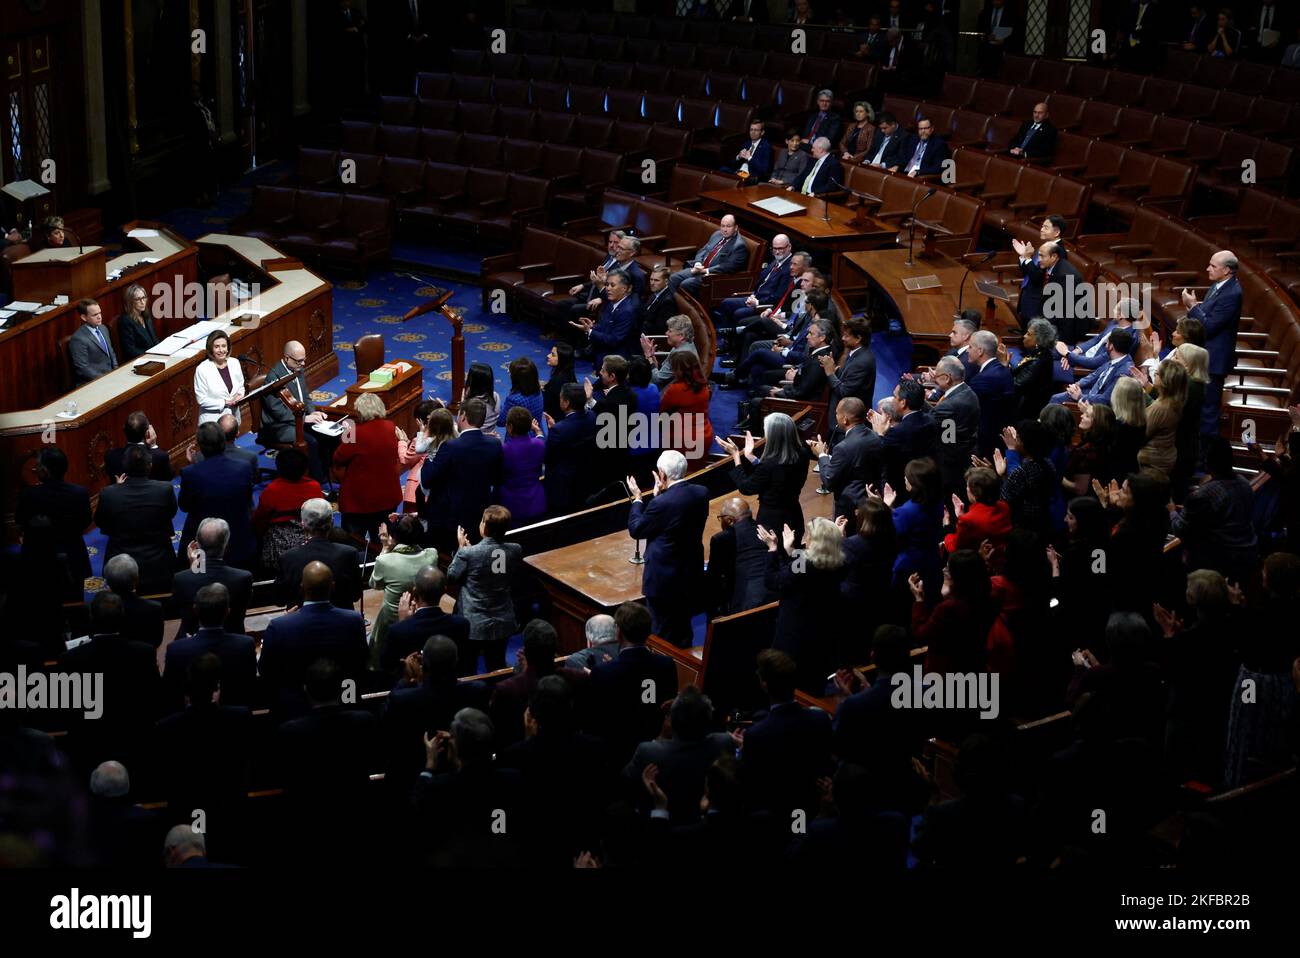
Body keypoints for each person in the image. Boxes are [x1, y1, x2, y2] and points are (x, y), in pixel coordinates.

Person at [626, 451, 711, 647]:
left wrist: (638, 499)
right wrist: (661, 496)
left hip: (664, 580)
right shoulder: (701, 492)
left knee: (662, 633)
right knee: (683, 626)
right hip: (690, 573)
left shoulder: (661, 503)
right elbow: (675, 516)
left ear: (661, 475)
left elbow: (637, 529)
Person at [259, 562, 369, 707]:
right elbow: (362, 661)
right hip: (345, 697)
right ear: (332, 586)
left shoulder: (280, 626)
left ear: (302, 587)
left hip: (297, 704)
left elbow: (265, 670)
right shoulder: (354, 621)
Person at [585, 601, 680, 763]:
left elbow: (594, 720)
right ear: (649, 631)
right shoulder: (667, 665)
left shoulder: (602, 672)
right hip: (656, 748)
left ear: (618, 634)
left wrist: (602, 671)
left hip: (615, 753)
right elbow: (667, 706)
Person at [761, 516, 845, 692]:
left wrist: (772, 549)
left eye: (808, 535)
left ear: (816, 542)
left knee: (789, 685)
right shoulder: (838, 563)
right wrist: (789, 550)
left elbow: (774, 581)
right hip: (820, 636)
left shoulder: (804, 565)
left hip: (795, 638)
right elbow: (792, 575)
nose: (805, 538)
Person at [447, 506, 524, 673]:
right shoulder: (515, 550)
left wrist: (462, 549)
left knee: (468, 668)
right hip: (502, 619)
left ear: (485, 527)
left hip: (473, 623)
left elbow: (452, 577)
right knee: (496, 666)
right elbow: (492, 561)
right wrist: (469, 551)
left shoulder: (468, 554)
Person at [418, 396, 502, 549]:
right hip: (480, 514)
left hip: (449, 519)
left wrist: (429, 456)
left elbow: (427, 479)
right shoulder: (495, 444)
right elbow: (497, 479)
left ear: (462, 416)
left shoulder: (450, 447)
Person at [720, 412, 813, 548]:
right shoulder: (803, 455)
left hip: (772, 521)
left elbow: (746, 487)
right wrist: (752, 458)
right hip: (794, 515)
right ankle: (798, 569)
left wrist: (736, 456)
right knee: (795, 557)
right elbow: (777, 476)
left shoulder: (770, 464)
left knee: (773, 558)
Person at [1171, 437, 1258, 581]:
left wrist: (1171, 510)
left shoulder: (1202, 495)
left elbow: (1179, 529)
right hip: (1249, 553)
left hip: (1220, 562)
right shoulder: (1244, 483)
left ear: (1207, 463)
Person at [94, 445, 177, 593]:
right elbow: (171, 513)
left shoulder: (109, 494)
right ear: (150, 466)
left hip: (120, 565)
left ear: (124, 467)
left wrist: (117, 490)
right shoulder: (165, 490)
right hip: (158, 562)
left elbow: (101, 523)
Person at [162, 583, 257, 711]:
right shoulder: (246, 645)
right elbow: (250, 686)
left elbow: (170, 694)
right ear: (227, 612)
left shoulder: (176, 650)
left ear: (195, 610)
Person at [16, 446, 92, 600]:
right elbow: (85, 522)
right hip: (73, 557)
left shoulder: (28, 496)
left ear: (45, 471)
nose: (35, 469)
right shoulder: (80, 493)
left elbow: (21, 521)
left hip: (39, 561)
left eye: (37, 466)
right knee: (75, 602)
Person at [1180, 251, 1241, 444]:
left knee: (1208, 414)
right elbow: (1204, 317)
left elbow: (1209, 327)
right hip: (1204, 358)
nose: (1208, 268)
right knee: (1198, 411)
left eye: (1213, 266)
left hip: (1214, 362)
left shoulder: (1233, 293)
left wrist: (1193, 307)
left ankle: (1208, 465)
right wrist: (1194, 309)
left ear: (1227, 270)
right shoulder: (1217, 285)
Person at [178, 421, 257, 569]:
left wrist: (193, 464)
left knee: (199, 577)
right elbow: (247, 500)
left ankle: (198, 574)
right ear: (223, 442)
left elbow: (184, 506)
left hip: (202, 542)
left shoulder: (190, 473)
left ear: (200, 446)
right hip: (238, 539)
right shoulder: (244, 468)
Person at [369, 513, 439, 669]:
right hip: (421, 615)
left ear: (394, 537)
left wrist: (386, 548)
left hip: (392, 618)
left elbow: (374, 584)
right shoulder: (431, 555)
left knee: (384, 661)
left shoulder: (385, 560)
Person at [333, 392, 401, 545]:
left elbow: (338, 457)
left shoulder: (354, 431)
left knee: (354, 542)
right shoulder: (390, 426)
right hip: (387, 497)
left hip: (360, 501)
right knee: (383, 542)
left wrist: (345, 434)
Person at [258, 340, 331, 480]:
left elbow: (305, 395)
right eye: (299, 361)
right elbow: (277, 411)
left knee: (325, 434)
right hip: (279, 425)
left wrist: (312, 412)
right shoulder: (273, 378)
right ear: (286, 358)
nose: (303, 364)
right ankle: (316, 481)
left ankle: (328, 474)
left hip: (297, 418)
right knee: (311, 442)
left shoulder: (297, 369)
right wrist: (303, 419)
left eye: (304, 360)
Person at [381, 565, 471, 674]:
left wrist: (403, 623)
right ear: (444, 591)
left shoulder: (398, 630)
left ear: (415, 591)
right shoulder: (461, 624)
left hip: (414, 687)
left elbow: (387, 665)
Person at [173, 517, 254, 636]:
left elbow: (183, 608)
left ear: (198, 546)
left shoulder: (181, 579)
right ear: (226, 546)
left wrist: (194, 568)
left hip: (191, 644)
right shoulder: (244, 578)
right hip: (235, 644)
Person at [276, 497, 362, 609]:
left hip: (299, 624)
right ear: (331, 523)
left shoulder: (287, 558)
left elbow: (279, 600)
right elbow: (355, 595)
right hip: (342, 622)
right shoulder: (349, 553)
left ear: (303, 525)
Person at [809, 397, 883, 520]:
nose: (835, 415)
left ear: (845, 420)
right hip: (873, 501)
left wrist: (822, 455)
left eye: (837, 413)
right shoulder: (875, 436)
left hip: (850, 508)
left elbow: (829, 481)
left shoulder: (843, 447)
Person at [888, 457, 946, 601]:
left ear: (916, 485)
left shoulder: (906, 511)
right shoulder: (937, 503)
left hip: (908, 566)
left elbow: (891, 535)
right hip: (931, 562)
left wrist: (886, 508)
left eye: (907, 478)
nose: (905, 479)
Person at [705, 497, 773, 617]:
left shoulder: (721, 539)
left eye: (721, 518)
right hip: (774, 592)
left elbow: (713, 578)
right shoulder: (765, 528)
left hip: (746, 604)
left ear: (730, 520)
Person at [713, 235, 794, 332]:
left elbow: (778, 296)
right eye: (774, 248)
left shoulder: (789, 268)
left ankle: (733, 339)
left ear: (789, 247)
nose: (776, 252)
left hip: (764, 304)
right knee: (726, 303)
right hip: (755, 298)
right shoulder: (776, 261)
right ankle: (726, 336)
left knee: (739, 313)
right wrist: (753, 295)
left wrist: (757, 302)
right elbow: (760, 282)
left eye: (780, 248)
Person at [873, 379, 938, 500]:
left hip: (902, 492)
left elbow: (880, 456)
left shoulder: (897, 433)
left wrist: (880, 434)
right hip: (930, 485)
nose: (892, 400)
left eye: (895, 396)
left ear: (903, 403)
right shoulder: (932, 421)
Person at [930, 356, 981, 499]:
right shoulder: (967, 391)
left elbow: (933, 425)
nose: (934, 379)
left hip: (951, 464)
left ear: (947, 378)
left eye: (937, 375)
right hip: (963, 454)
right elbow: (949, 433)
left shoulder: (950, 405)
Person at [543, 383, 597, 516]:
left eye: (561, 398)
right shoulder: (593, 416)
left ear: (566, 403)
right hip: (586, 476)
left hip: (562, 485)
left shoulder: (558, 430)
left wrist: (545, 433)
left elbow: (547, 457)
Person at [250, 447, 321, 548]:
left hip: (280, 545)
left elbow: (259, 521)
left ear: (278, 468)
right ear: (305, 469)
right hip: (311, 541)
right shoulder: (315, 487)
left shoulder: (272, 490)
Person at [571, 269, 640, 371]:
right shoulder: (612, 303)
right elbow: (605, 327)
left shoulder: (627, 311)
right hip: (602, 355)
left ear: (624, 288)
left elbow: (614, 340)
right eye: (607, 285)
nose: (607, 288)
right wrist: (592, 327)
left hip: (616, 362)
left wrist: (589, 331)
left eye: (612, 285)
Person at [658, 350, 714, 469]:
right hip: (704, 436)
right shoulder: (704, 385)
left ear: (681, 370)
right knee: (697, 473)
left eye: (674, 368)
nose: (672, 371)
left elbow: (662, 414)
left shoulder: (676, 390)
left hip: (683, 441)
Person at [1050, 328, 1135, 406]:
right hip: (1090, 391)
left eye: (1107, 342)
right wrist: (1078, 384)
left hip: (1095, 405)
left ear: (1111, 346)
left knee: (1056, 399)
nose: (1105, 344)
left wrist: (1080, 396)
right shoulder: (1116, 357)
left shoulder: (1123, 372)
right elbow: (1095, 375)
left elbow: (1106, 399)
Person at [667, 215, 748, 296]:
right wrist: (698, 263)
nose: (724, 230)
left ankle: (679, 306)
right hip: (699, 269)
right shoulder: (717, 234)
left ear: (736, 227)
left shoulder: (739, 246)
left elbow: (728, 267)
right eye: (722, 226)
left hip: (711, 276)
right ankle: (670, 306)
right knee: (674, 278)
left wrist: (706, 270)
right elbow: (703, 250)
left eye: (728, 226)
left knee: (685, 284)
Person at [965, 330, 1014, 456]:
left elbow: (966, 409)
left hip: (984, 444)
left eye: (970, 347)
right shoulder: (1004, 369)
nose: (967, 351)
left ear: (980, 351)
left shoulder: (982, 379)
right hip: (999, 439)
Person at [1136, 359, 1186, 479]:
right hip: (1163, 458)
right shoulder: (1172, 400)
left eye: (1157, 374)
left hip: (1152, 464)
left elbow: (1140, 435)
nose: (1154, 375)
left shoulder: (1162, 408)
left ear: (1166, 381)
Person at [944, 466, 1012, 554]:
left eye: (967, 486)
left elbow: (956, 548)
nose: (966, 489)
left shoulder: (968, 520)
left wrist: (947, 526)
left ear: (975, 494)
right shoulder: (1004, 507)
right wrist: (962, 516)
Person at [398, 401, 451, 510]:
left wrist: (402, 442)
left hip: (417, 493)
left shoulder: (420, 441)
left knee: (412, 525)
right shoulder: (448, 435)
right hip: (441, 490)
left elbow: (405, 460)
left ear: (419, 421)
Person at [499, 406, 546, 526]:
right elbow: (540, 439)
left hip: (513, 507)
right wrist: (538, 431)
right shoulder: (539, 444)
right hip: (537, 502)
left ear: (509, 428)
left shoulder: (504, 450)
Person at [821, 316, 876, 413]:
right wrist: (833, 369)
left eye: (846, 336)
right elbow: (846, 377)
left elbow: (843, 391)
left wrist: (830, 372)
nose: (842, 338)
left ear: (858, 338)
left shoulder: (861, 362)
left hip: (849, 417)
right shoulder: (856, 353)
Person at [1008, 318, 1058, 420]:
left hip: (1026, 410)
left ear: (1038, 341)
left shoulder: (1037, 361)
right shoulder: (1041, 353)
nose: (1024, 336)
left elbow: (1016, 385)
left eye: (1029, 334)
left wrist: (1004, 365)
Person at [193, 329, 244, 426]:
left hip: (233, 419)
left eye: (224, 346)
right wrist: (225, 402)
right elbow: (201, 399)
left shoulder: (235, 363)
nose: (221, 350)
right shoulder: (202, 369)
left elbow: (241, 386)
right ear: (210, 349)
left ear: (228, 347)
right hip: (212, 424)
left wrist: (239, 396)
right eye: (217, 347)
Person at [104, 411, 172, 481]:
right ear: (147, 433)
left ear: (124, 431)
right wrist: (153, 446)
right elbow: (169, 480)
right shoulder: (160, 457)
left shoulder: (110, 456)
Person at [643, 315, 699, 391]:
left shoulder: (679, 355)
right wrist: (653, 357)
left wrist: (648, 357)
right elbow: (663, 371)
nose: (666, 333)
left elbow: (658, 380)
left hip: (669, 394)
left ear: (681, 336)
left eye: (670, 331)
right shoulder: (686, 344)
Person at [68, 298, 118, 385]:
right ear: (84, 317)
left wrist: (116, 371)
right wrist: (104, 379)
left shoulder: (103, 328)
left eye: (100, 313)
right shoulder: (78, 339)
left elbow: (111, 353)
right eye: (95, 315)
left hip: (111, 377)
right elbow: (83, 368)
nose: (99, 317)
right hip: (93, 382)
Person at [502, 356, 546, 437]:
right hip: (538, 434)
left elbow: (501, 421)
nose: (508, 372)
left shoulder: (513, 399)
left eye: (511, 372)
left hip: (518, 440)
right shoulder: (539, 391)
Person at [115, 284, 158, 361]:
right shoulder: (125, 321)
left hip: (153, 356)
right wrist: (149, 356)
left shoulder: (145, 315)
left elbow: (154, 340)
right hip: (140, 360)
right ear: (130, 302)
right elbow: (130, 350)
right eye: (138, 299)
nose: (142, 302)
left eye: (143, 298)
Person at [461, 361, 502, 437]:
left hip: (471, 437)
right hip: (491, 436)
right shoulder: (495, 396)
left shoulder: (467, 399)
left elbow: (461, 423)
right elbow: (497, 417)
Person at [542, 342, 577, 421]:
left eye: (553, 355)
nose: (548, 356)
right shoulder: (568, 373)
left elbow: (546, 403)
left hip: (556, 419)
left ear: (562, 359)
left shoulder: (558, 380)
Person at [639, 265, 678, 336]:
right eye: (651, 279)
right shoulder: (656, 292)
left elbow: (660, 329)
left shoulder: (668, 301)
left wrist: (637, 326)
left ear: (666, 281)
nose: (652, 283)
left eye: (656, 280)